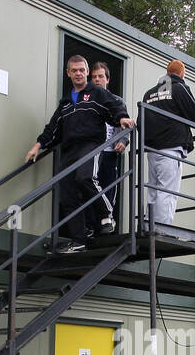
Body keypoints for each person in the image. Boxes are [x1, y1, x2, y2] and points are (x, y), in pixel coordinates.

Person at [27, 55, 133, 251]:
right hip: (69, 150)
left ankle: (107, 213)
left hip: (91, 144)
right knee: (67, 195)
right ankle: (80, 239)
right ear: (68, 73)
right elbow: (53, 128)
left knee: (85, 178)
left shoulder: (96, 93)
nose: (78, 73)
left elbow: (114, 105)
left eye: (82, 70)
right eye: (74, 70)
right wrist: (38, 145)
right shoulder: (66, 102)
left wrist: (122, 118)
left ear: (86, 72)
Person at [140, 60, 195, 227]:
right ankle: (162, 228)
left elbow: (141, 121)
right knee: (167, 191)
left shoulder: (149, 94)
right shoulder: (179, 88)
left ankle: (149, 225)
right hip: (172, 147)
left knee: (153, 190)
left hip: (152, 150)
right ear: (182, 74)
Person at [89, 62, 127, 225]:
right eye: (94, 77)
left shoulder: (117, 101)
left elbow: (126, 125)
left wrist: (123, 141)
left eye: (100, 76)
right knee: (89, 188)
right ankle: (90, 226)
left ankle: (106, 223)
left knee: (109, 188)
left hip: (110, 152)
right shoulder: (88, 100)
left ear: (108, 79)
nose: (97, 80)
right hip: (91, 152)